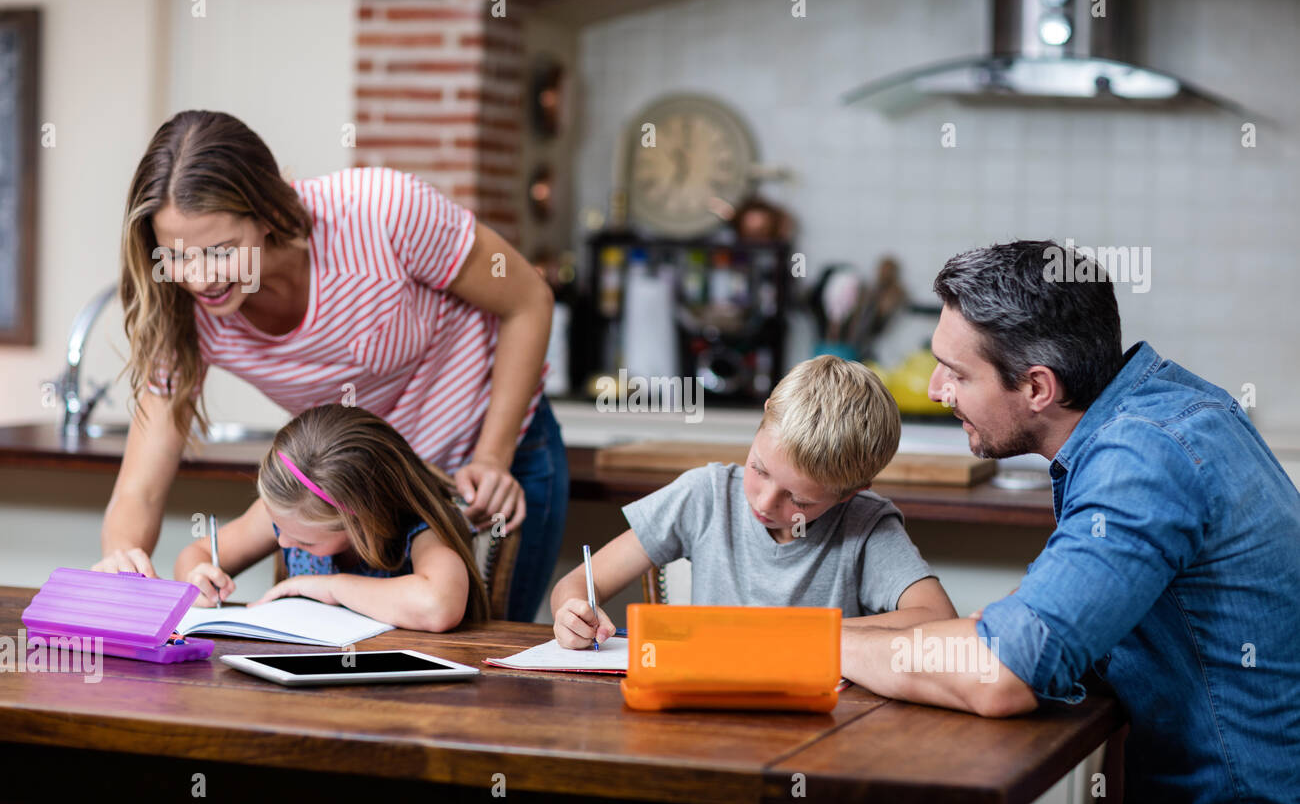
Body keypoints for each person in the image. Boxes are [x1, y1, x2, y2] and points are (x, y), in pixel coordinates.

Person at [841, 240, 1300, 804]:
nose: (934, 389)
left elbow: (1002, 674)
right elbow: (1031, 632)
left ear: (1037, 388)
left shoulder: (1142, 460)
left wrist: (813, 645)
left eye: (956, 372)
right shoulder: (1168, 408)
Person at [94, 110, 565, 621]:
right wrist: (123, 559)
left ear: (268, 210)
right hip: (352, 495)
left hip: (489, 458)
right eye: (177, 256)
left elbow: (528, 301)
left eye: (220, 251)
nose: (200, 278)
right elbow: (139, 486)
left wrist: (492, 457)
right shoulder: (182, 307)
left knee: (485, 661)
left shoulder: (383, 212)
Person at [551, 355, 955, 648]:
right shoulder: (705, 495)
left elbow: (937, 619)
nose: (764, 501)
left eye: (798, 499)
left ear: (851, 493)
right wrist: (572, 612)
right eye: (759, 469)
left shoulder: (865, 525)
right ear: (763, 419)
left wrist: (796, 633)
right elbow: (577, 584)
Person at [173, 404, 488, 631]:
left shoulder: (419, 531)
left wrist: (332, 587)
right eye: (277, 527)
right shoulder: (288, 513)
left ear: (363, 523)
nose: (282, 540)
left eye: (305, 541)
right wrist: (197, 577)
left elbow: (438, 606)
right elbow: (194, 555)